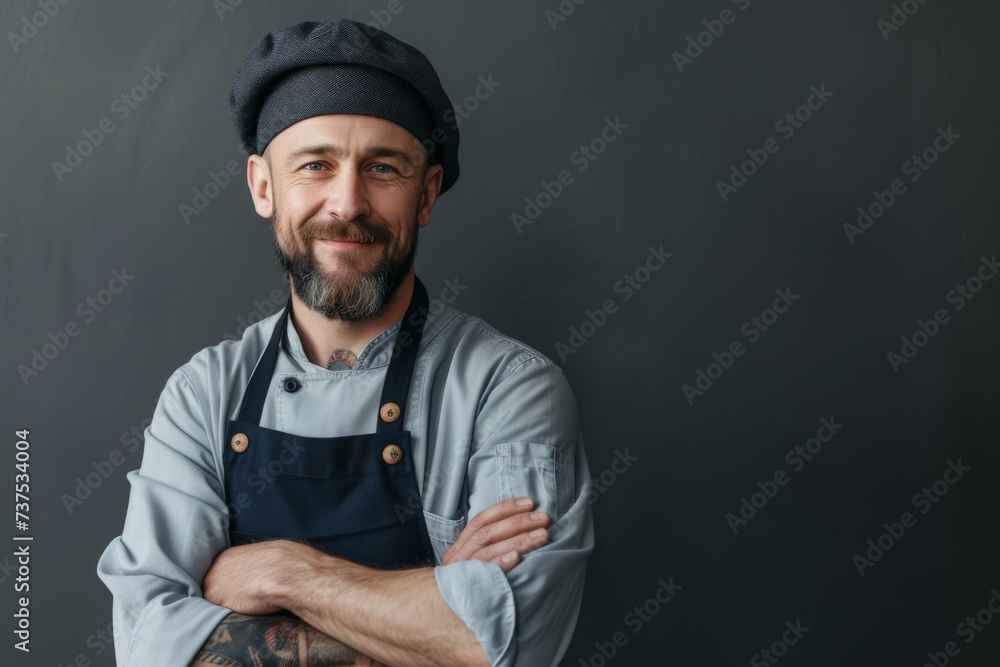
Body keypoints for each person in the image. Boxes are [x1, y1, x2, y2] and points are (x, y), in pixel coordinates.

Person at [97, 18, 594, 667]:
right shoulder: (203, 395)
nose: (347, 202)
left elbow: (508, 647)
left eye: (383, 167)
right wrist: (434, 611)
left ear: (427, 194)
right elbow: (147, 648)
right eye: (316, 165)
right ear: (263, 186)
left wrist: (286, 572)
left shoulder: (510, 389)